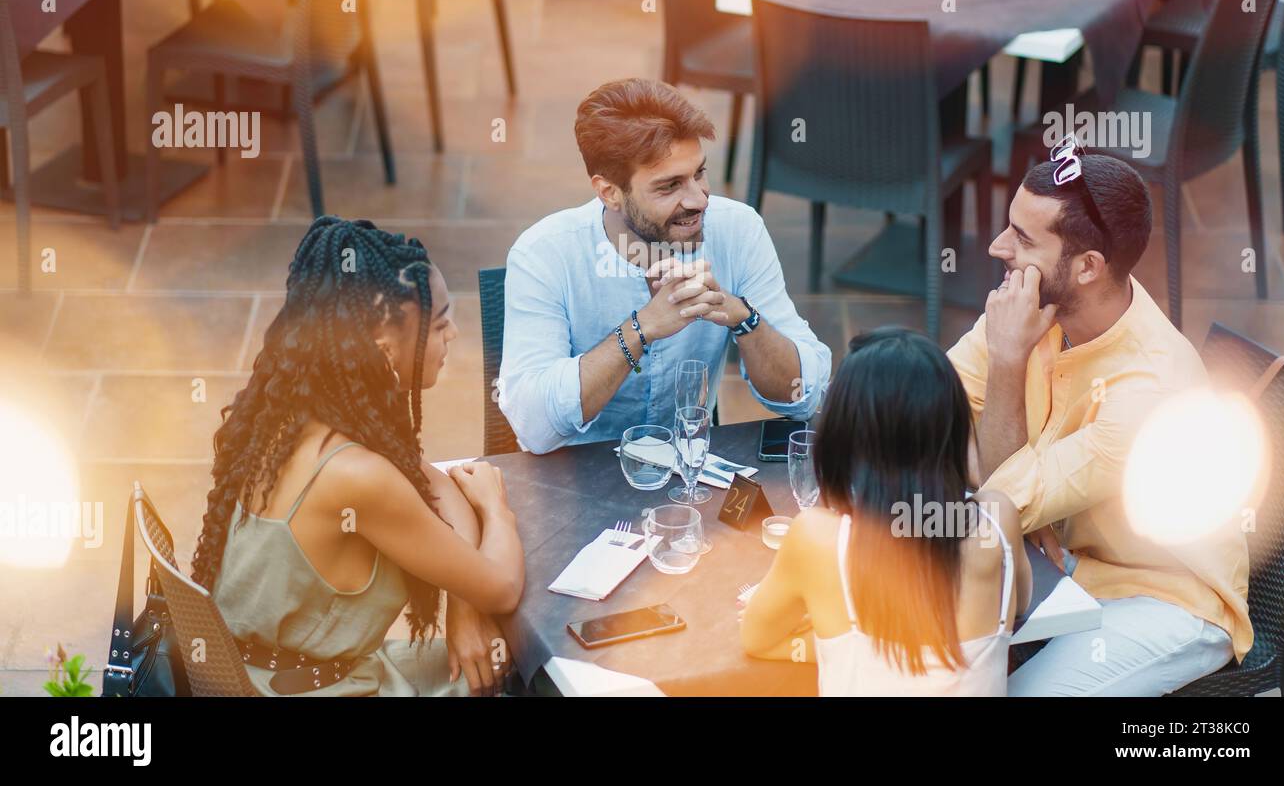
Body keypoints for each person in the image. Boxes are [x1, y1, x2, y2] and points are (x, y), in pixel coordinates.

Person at [948, 150, 1251, 695]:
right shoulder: (1037, 307)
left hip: (1166, 598)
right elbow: (931, 413)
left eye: (1022, 237)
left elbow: (1001, 502)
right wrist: (1014, 490)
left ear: (1087, 267)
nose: (998, 247)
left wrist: (1007, 365)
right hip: (1066, 569)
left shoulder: (1151, 390)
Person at [191, 217, 525, 696]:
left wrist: (463, 603)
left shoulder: (292, 410)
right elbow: (504, 587)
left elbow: (436, 486)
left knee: (488, 654)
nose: (453, 334)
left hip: (280, 672)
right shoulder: (357, 476)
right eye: (440, 321)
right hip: (315, 688)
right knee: (517, 666)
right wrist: (497, 509)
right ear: (385, 349)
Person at [499, 78, 831, 454]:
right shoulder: (544, 253)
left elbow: (805, 395)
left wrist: (740, 315)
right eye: (670, 186)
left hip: (688, 480)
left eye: (699, 173)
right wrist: (641, 330)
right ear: (610, 193)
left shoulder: (738, 229)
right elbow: (534, 428)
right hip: (572, 479)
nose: (699, 200)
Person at [740, 328, 1030, 695]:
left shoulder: (818, 537)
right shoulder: (998, 518)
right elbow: (1018, 603)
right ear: (953, 426)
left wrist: (832, 639)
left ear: (844, 433)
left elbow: (757, 640)